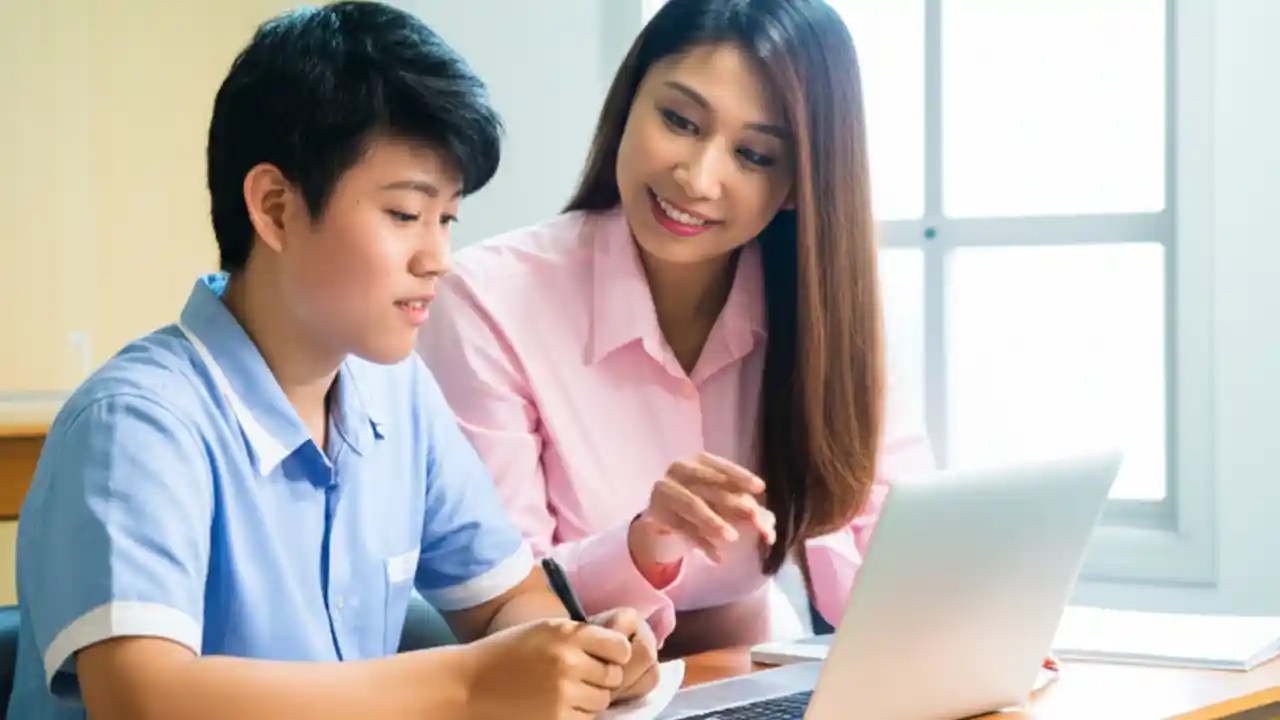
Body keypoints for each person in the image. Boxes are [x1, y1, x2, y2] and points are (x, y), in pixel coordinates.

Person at [6, 3, 657, 718]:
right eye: (406, 215)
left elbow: (505, 601)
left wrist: (578, 657)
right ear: (276, 208)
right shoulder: (136, 424)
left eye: (448, 220)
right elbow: (144, 698)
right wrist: (471, 685)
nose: (437, 258)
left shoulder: (397, 393)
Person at [419, 0, 935, 658]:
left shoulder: (825, 311)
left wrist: (966, 626)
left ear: (800, 184)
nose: (697, 178)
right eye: (679, 120)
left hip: (754, 676)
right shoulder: (488, 301)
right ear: (629, 101)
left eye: (753, 154)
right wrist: (641, 547)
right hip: (579, 694)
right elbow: (506, 603)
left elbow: (889, 532)